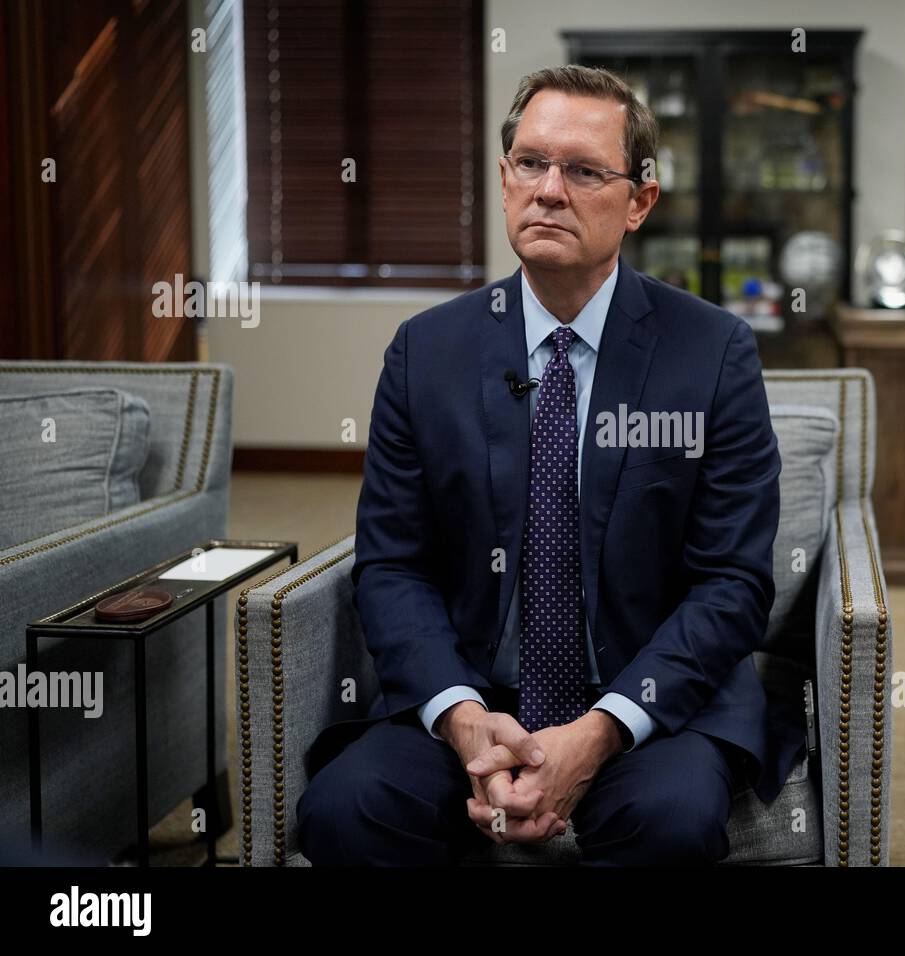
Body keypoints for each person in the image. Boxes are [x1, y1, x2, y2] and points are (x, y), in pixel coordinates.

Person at [296, 64, 803, 866]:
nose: (549, 190)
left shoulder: (712, 354)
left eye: (584, 170)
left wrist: (600, 731)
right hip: (475, 697)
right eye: (530, 163)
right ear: (504, 178)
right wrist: (463, 719)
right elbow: (392, 567)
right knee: (345, 810)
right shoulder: (427, 352)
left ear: (640, 202)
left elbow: (733, 585)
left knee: (670, 821)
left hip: (645, 703)